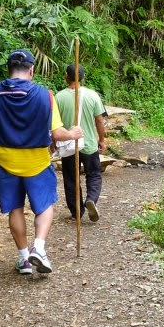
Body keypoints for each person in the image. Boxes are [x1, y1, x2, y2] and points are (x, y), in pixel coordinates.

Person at [0, 49, 83, 275]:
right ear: (31, 70)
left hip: (4, 162)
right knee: (45, 206)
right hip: (37, 163)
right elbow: (57, 134)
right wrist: (73, 133)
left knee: (15, 209)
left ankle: (24, 259)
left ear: (8, 69)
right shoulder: (45, 96)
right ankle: (38, 249)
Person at [55, 64, 108, 222]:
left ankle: (76, 212)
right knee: (94, 175)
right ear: (83, 77)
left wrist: (53, 142)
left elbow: (54, 124)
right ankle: (91, 198)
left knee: (71, 178)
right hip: (89, 144)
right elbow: (99, 120)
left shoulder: (59, 97)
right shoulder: (92, 96)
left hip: (68, 144)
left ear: (66, 76)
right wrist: (102, 139)